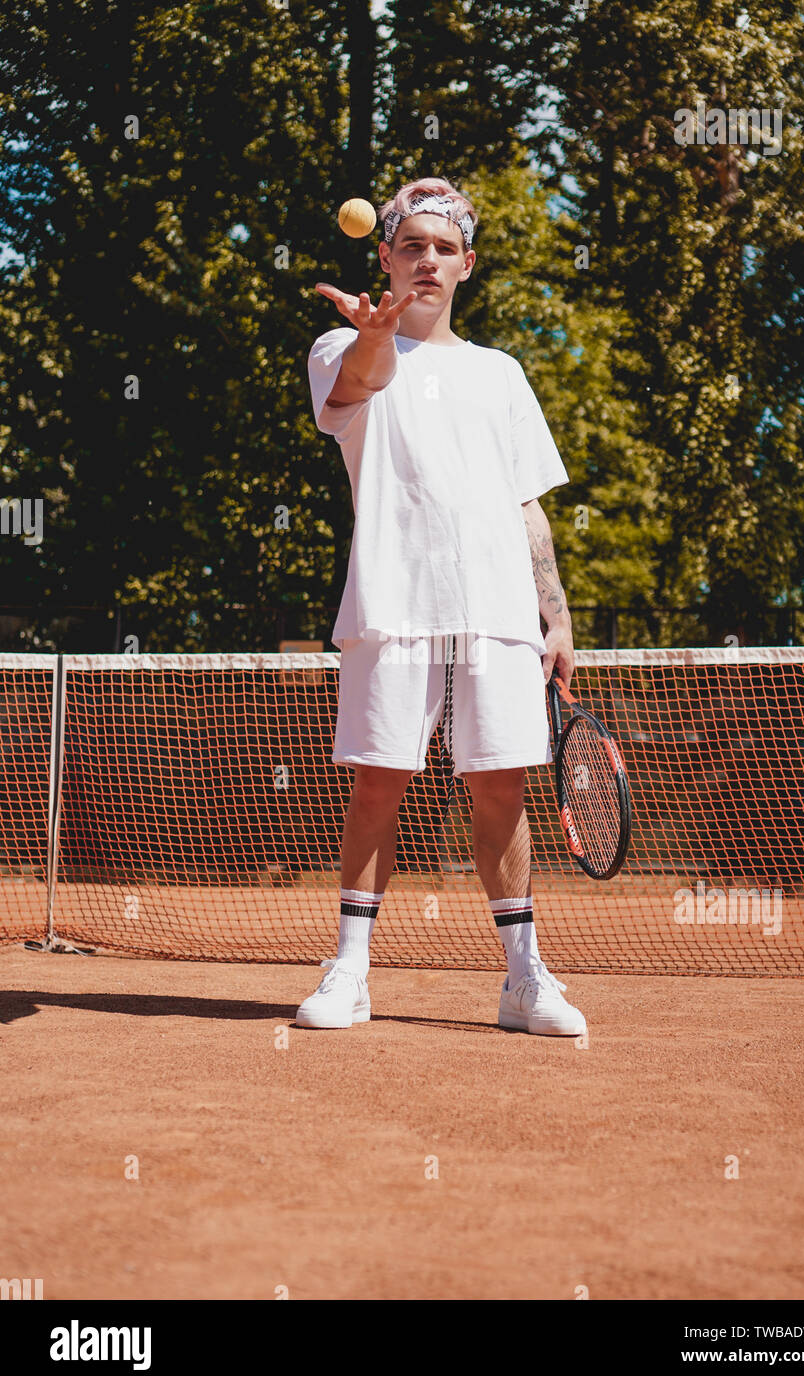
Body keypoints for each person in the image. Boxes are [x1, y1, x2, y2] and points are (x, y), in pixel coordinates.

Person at [300, 176, 585, 1036]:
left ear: (468, 264)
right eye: (411, 245)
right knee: (378, 784)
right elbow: (361, 382)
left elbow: (527, 501)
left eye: (443, 247)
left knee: (501, 788)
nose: (427, 259)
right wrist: (373, 336)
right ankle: (349, 970)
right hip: (392, 602)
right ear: (384, 257)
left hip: (496, 610)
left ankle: (524, 980)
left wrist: (556, 612)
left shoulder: (501, 374)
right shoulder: (340, 344)